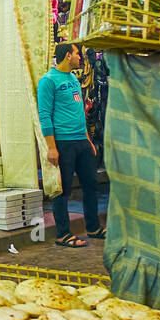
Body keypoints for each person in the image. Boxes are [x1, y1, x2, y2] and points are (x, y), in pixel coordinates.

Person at [37, 42, 102, 248]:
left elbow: (78, 112)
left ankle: (93, 227)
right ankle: (63, 234)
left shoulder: (74, 78)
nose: (80, 58)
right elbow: (45, 116)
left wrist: (88, 140)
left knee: (91, 184)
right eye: (77, 54)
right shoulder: (48, 81)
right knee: (62, 190)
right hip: (63, 143)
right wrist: (52, 147)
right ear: (67, 56)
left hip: (81, 141)